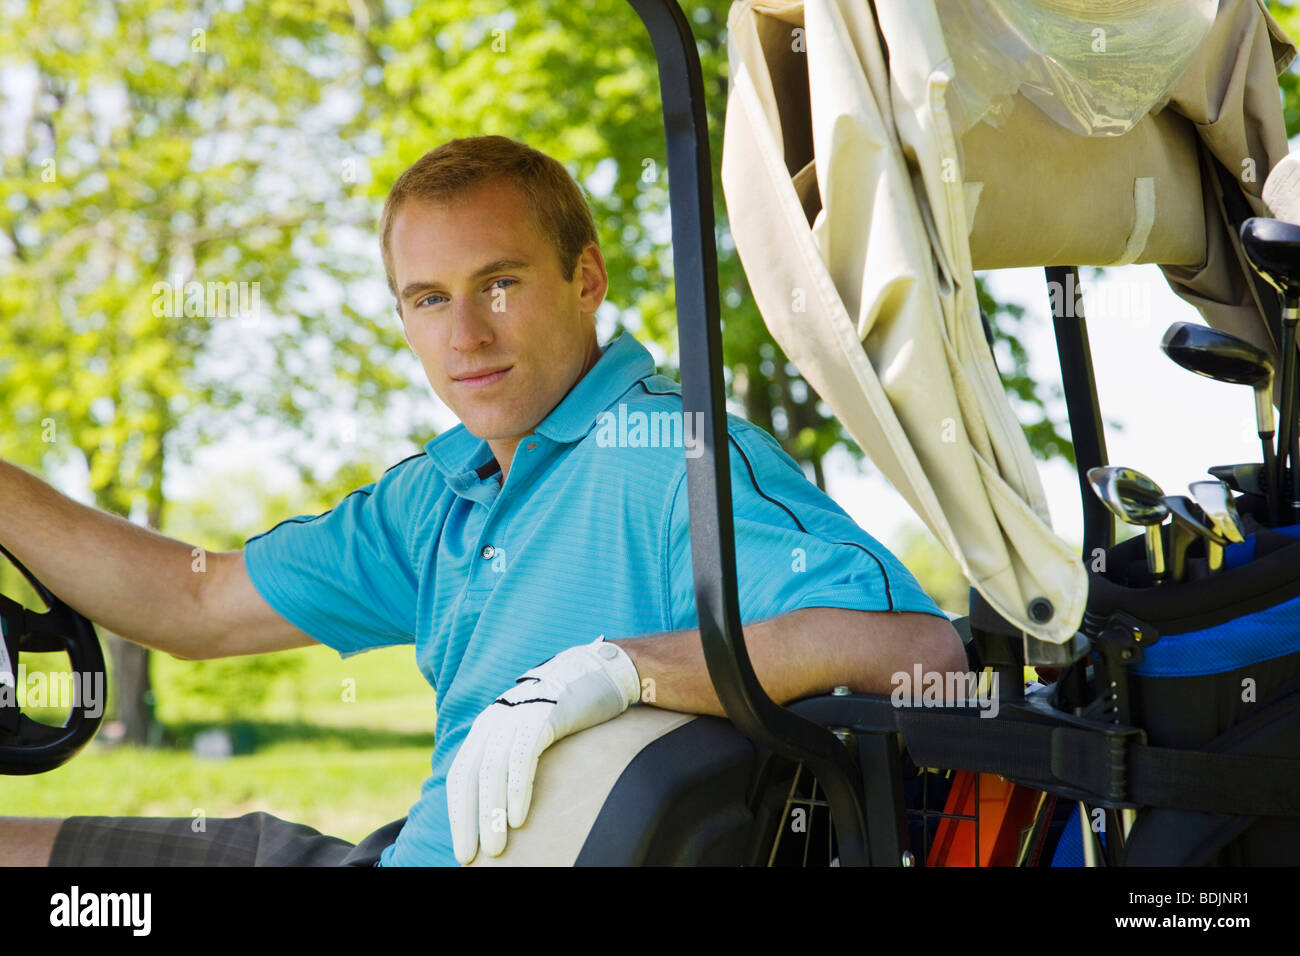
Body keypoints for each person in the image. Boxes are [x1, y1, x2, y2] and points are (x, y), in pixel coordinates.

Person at [0, 135, 966, 867]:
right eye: (428, 298)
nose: (465, 334)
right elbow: (195, 603)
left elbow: (923, 652)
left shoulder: (672, 460)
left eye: (499, 284)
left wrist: (622, 666)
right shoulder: (438, 496)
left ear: (584, 279)